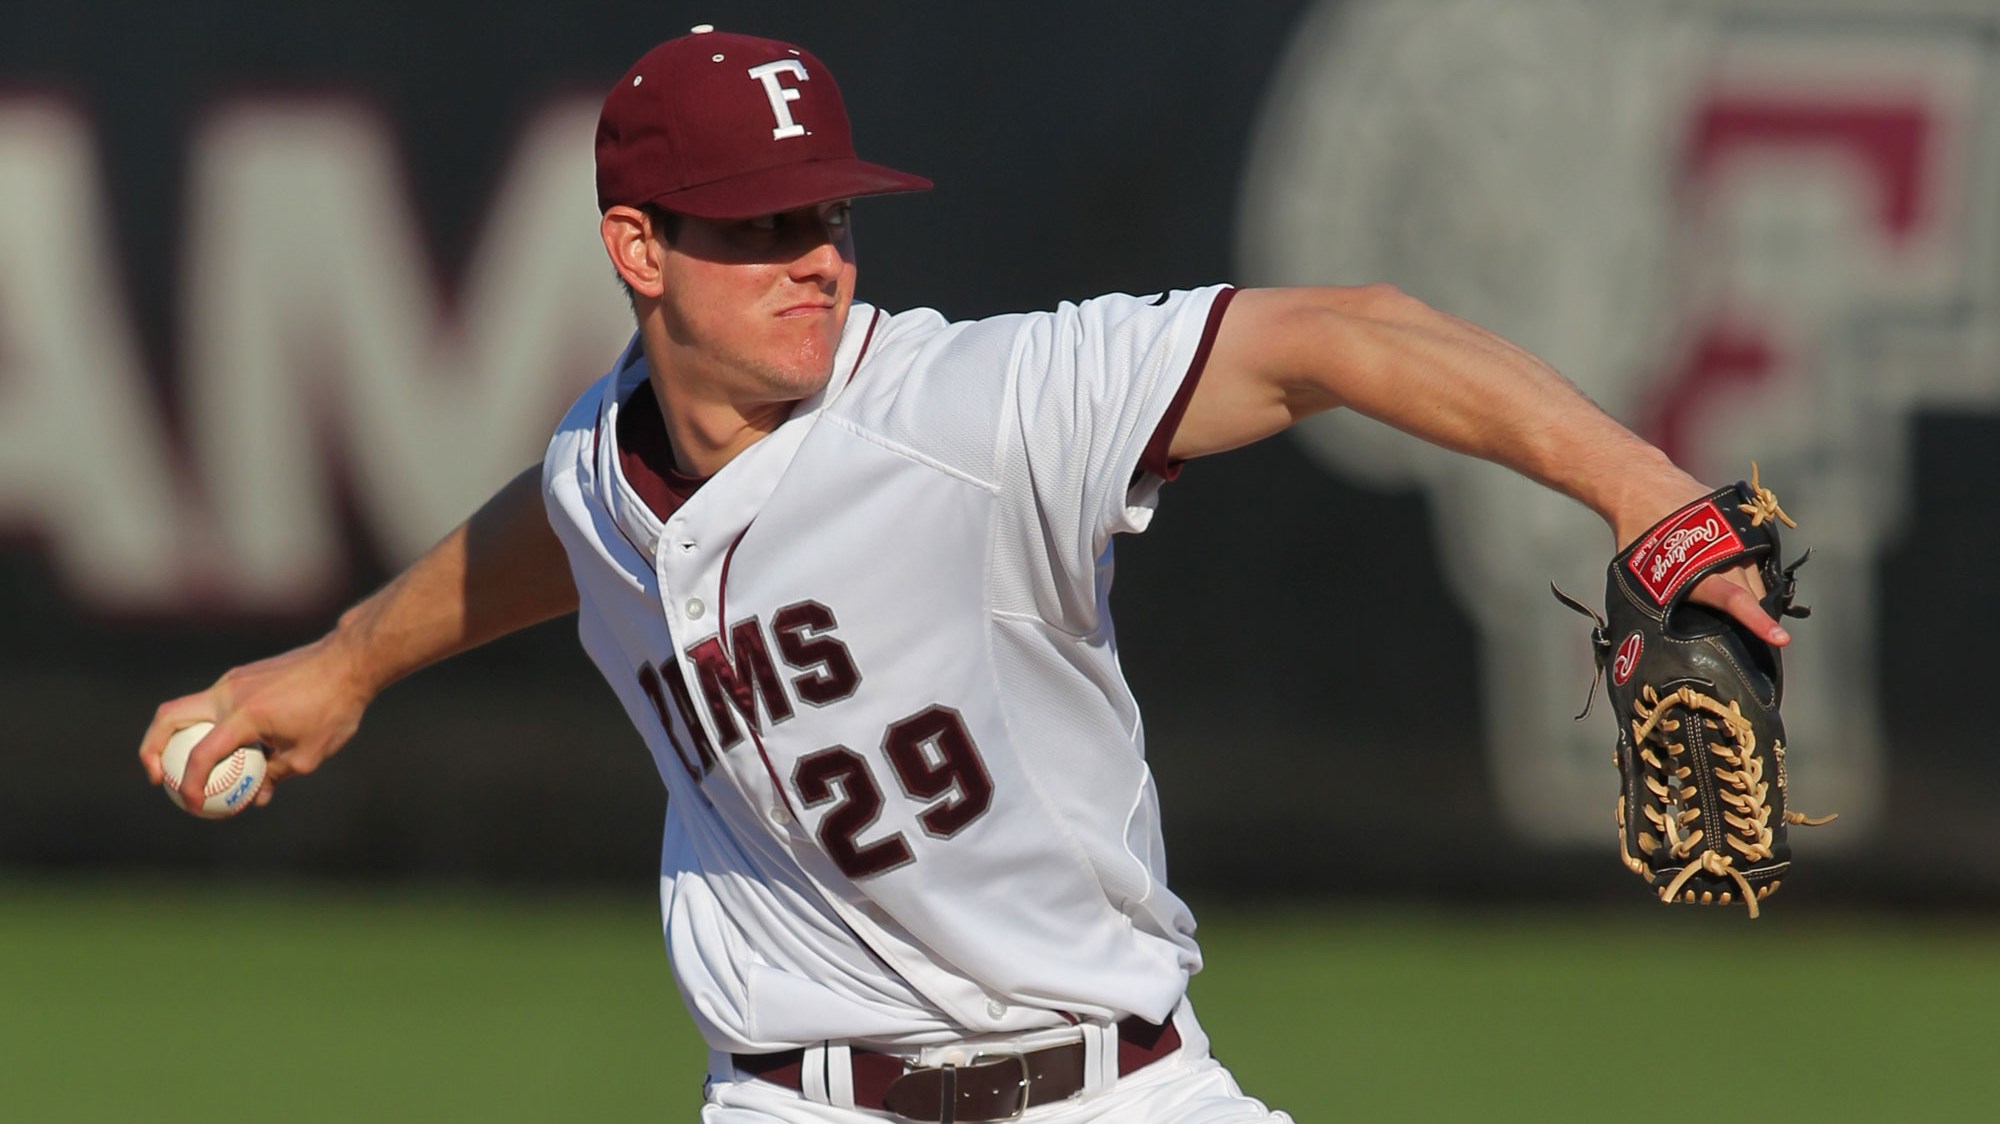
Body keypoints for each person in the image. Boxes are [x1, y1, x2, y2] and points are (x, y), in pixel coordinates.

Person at [139, 27, 1792, 1124]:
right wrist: (344, 665)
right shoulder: (602, 462)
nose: (817, 258)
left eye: (830, 214)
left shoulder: (969, 408)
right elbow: (557, 534)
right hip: (790, 1096)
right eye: (756, 224)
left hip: (1110, 1089)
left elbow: (1350, 334)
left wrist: (1645, 497)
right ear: (636, 248)